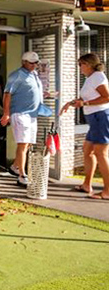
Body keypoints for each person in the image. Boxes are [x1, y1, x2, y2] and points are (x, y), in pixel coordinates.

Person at [60, 52, 109, 200]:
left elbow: (107, 97)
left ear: (88, 64)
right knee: (87, 150)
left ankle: (107, 191)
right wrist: (73, 102)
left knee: (101, 153)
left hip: (101, 118)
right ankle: (87, 184)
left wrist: (85, 103)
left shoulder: (99, 76)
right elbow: (88, 97)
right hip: (94, 120)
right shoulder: (90, 79)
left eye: (80, 64)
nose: (79, 67)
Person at [0, 51, 44, 186]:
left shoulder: (34, 74)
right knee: (23, 144)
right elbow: (7, 94)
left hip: (32, 114)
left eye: (36, 63)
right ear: (23, 62)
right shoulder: (17, 75)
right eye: (31, 63)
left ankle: (14, 166)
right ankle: (22, 175)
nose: (34, 65)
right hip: (20, 114)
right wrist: (6, 113)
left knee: (28, 143)